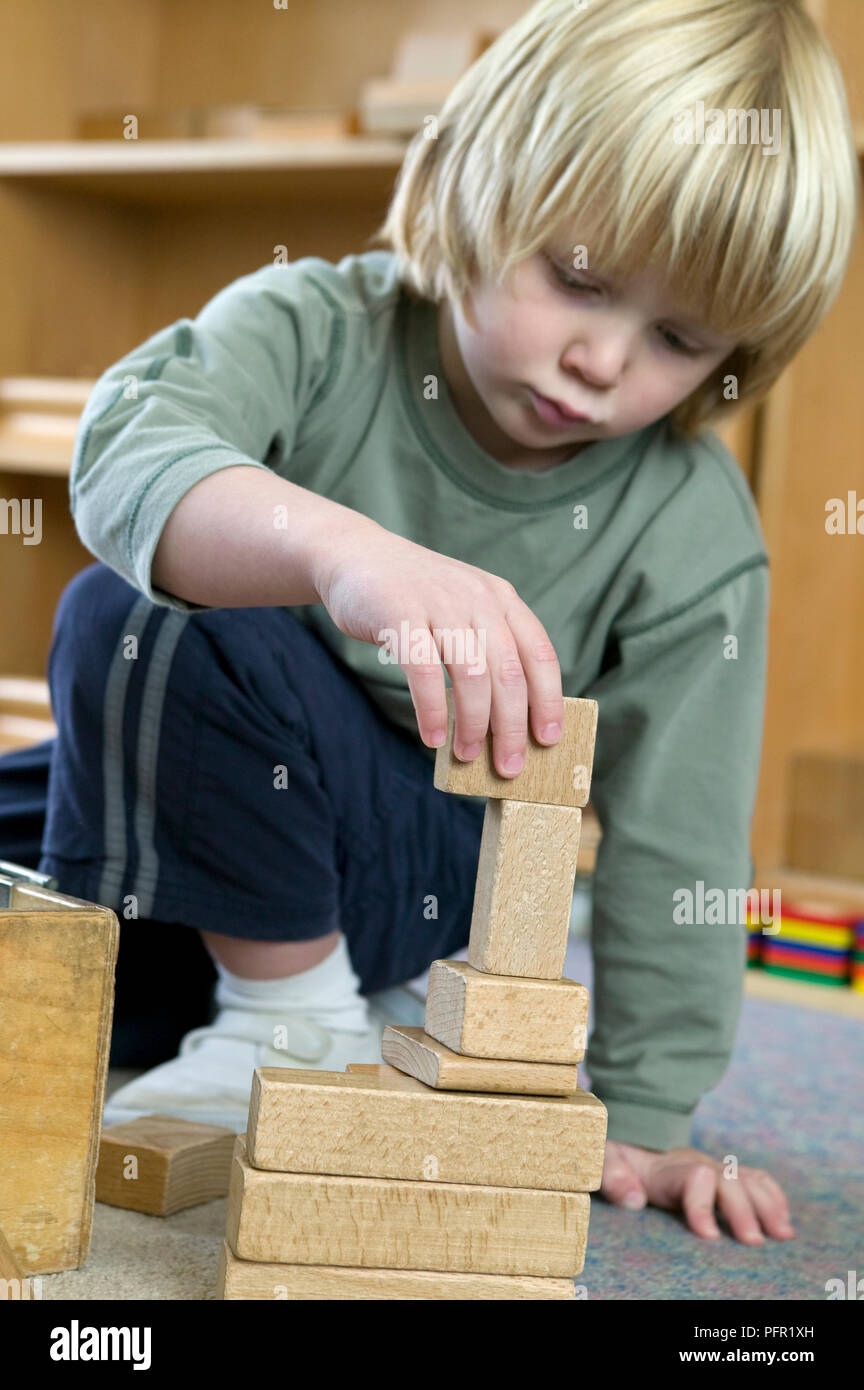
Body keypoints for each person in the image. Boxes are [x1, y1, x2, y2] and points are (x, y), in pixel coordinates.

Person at [22, 0, 860, 1244]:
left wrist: (643, 1114)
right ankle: (256, 993)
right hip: (200, 826)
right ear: (480, 179)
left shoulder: (689, 523)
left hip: (412, 873)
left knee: (132, 618)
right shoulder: (314, 324)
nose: (600, 362)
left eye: (678, 339)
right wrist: (342, 550)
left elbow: (681, 840)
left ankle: (299, 1022)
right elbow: (123, 456)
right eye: (577, 278)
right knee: (75, 767)